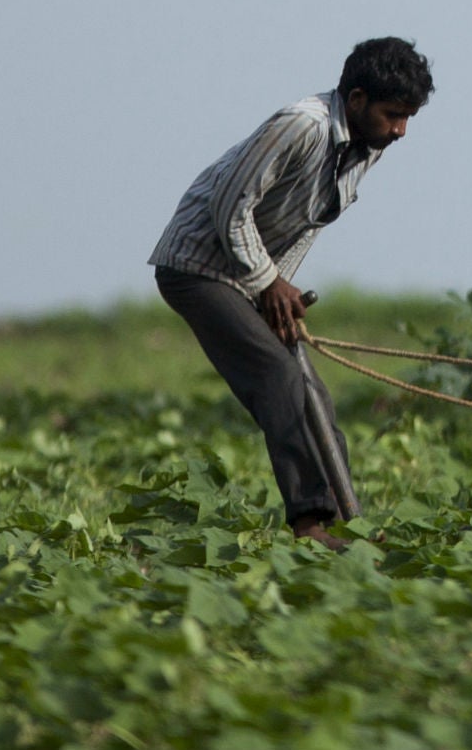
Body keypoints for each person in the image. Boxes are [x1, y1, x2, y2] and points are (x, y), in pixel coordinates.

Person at [149, 36, 432, 544]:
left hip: (250, 276)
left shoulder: (367, 147)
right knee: (278, 375)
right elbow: (229, 206)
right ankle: (309, 523)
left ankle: (350, 523)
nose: (401, 130)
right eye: (393, 114)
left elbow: (306, 224)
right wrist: (267, 282)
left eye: (409, 117)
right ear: (358, 99)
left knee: (312, 391)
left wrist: (277, 293)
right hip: (197, 265)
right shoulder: (303, 125)